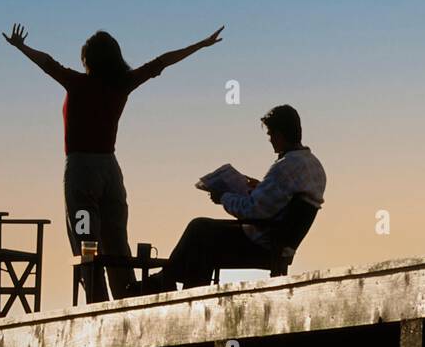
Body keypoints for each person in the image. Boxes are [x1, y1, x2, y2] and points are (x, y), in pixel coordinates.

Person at [2, 22, 224, 301]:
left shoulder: (78, 83)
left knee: (86, 243)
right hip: (110, 171)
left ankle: (96, 302)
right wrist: (200, 44)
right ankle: (125, 298)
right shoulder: (123, 84)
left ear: (88, 60)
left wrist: (21, 47)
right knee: (116, 240)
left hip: (82, 170)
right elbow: (163, 61)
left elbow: (47, 63)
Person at [139, 104, 326, 293]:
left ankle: (170, 282)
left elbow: (251, 211)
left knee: (200, 229)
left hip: (263, 243)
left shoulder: (284, 167)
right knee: (203, 235)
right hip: (280, 243)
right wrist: (260, 187)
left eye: (270, 135)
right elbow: (284, 199)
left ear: (279, 134)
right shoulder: (314, 166)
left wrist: (224, 196)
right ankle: (168, 280)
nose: (269, 140)